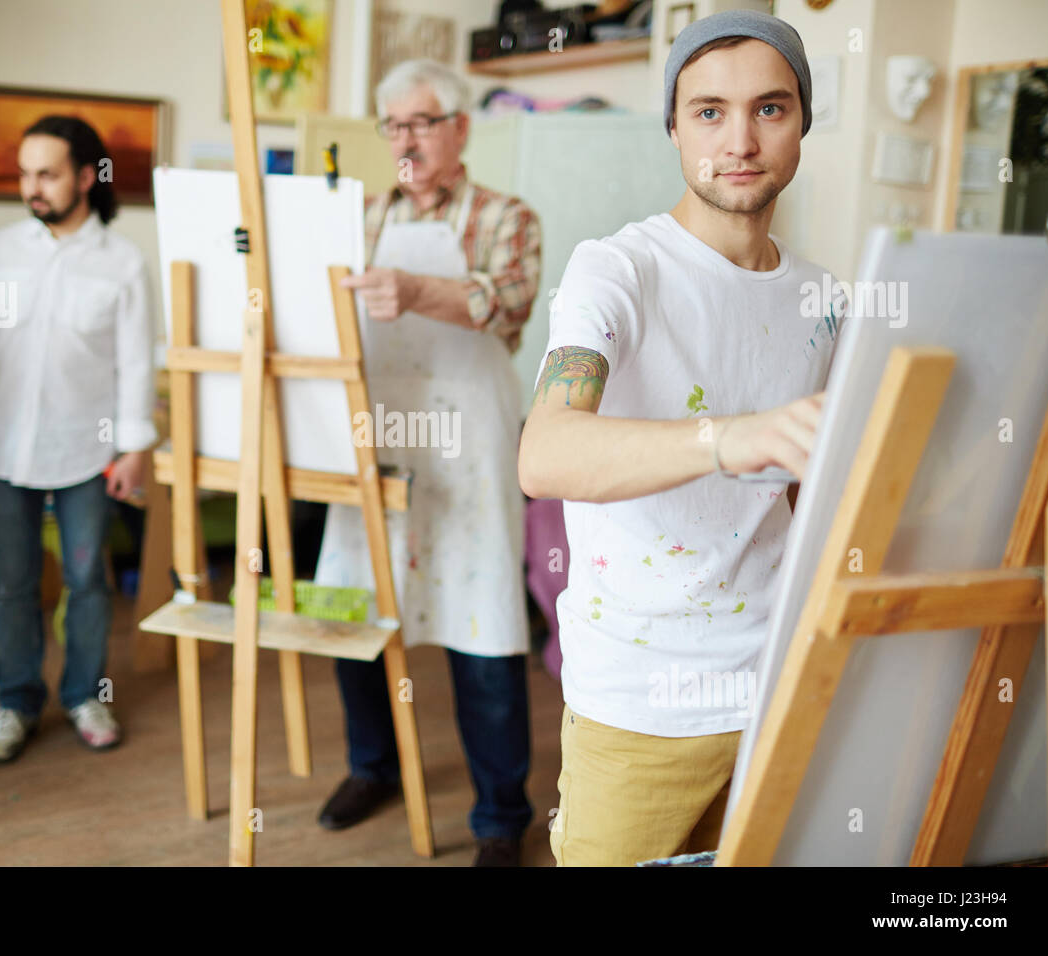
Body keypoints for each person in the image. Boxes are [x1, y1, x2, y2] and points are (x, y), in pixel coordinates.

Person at [518, 10, 849, 865]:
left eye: (770, 109)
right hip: (638, 706)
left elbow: (819, 498)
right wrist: (730, 437)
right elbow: (546, 453)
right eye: (708, 112)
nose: (739, 138)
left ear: (803, 122)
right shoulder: (617, 270)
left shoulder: (829, 300)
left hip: (776, 693)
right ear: (672, 126)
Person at [312, 59, 542, 867]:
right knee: (356, 611)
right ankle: (372, 766)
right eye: (393, 125)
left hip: (468, 437)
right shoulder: (357, 217)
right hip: (376, 434)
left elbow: (506, 303)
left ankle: (500, 818)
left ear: (461, 129)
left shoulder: (507, 216)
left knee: (482, 628)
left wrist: (413, 289)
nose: (406, 139)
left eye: (422, 122)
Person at [0, 115, 156, 764]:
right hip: (6, 450)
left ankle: (86, 696)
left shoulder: (123, 263)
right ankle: (15, 702)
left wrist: (136, 446)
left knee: (88, 581)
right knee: (13, 585)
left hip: (87, 456)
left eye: (47, 173)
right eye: (25, 173)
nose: (31, 186)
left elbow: (137, 363)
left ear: (86, 177)